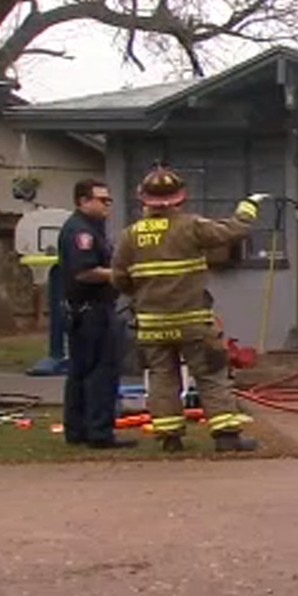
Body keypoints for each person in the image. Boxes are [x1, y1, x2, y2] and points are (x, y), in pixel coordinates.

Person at [110, 165, 268, 453]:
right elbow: (235, 231)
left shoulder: (129, 236)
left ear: (143, 199)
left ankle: (170, 439)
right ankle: (226, 437)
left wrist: (142, 295)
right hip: (193, 321)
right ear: (181, 197)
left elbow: (119, 278)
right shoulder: (191, 226)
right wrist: (247, 208)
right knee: (211, 374)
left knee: (161, 377)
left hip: (152, 324)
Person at [57, 178, 133, 449]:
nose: (107, 205)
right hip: (92, 312)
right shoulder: (81, 232)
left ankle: (77, 430)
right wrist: (121, 275)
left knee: (81, 371)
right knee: (102, 370)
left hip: (84, 311)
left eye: (109, 200)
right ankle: (99, 433)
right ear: (83, 201)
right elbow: (85, 271)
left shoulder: (92, 228)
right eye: (102, 200)